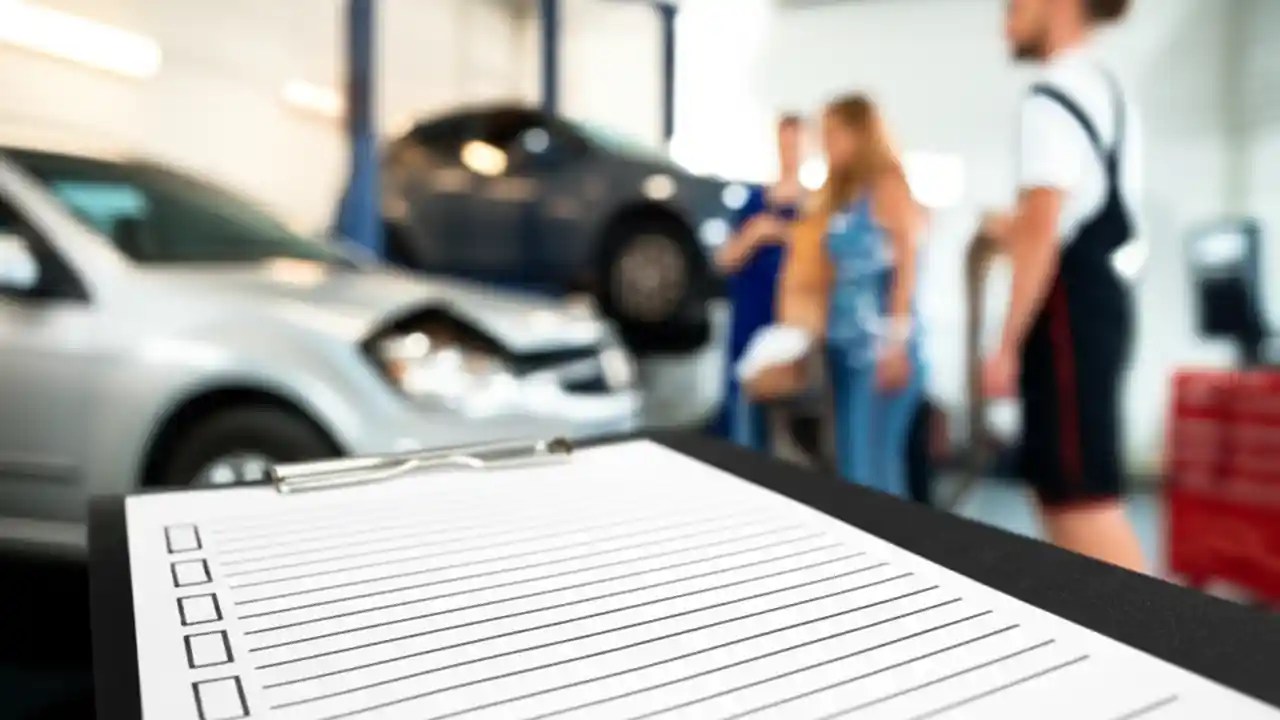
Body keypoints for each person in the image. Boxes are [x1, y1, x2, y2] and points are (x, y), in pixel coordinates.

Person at [981, 0, 1145, 571]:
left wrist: (1003, 345)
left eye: (1014, 5)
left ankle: (1169, 650)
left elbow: (1045, 229)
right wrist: (1017, 225)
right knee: (1061, 493)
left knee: (1081, 502)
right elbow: (1056, 217)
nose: (1003, 18)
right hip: (1092, 302)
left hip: (1068, 312)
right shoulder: (1101, 82)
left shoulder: (1052, 93)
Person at [780, 95, 924, 499]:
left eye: (833, 134)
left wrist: (895, 343)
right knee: (851, 467)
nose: (826, 145)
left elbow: (907, 265)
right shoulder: (841, 194)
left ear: (861, 135)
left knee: (873, 473)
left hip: (881, 353)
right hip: (843, 348)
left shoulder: (888, 185)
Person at [714, 114, 806, 450]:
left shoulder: (813, 207)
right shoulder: (752, 202)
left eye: (795, 143)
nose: (789, 151)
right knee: (743, 413)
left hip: (789, 327)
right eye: (784, 142)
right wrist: (754, 235)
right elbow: (724, 260)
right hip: (749, 320)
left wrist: (785, 233)